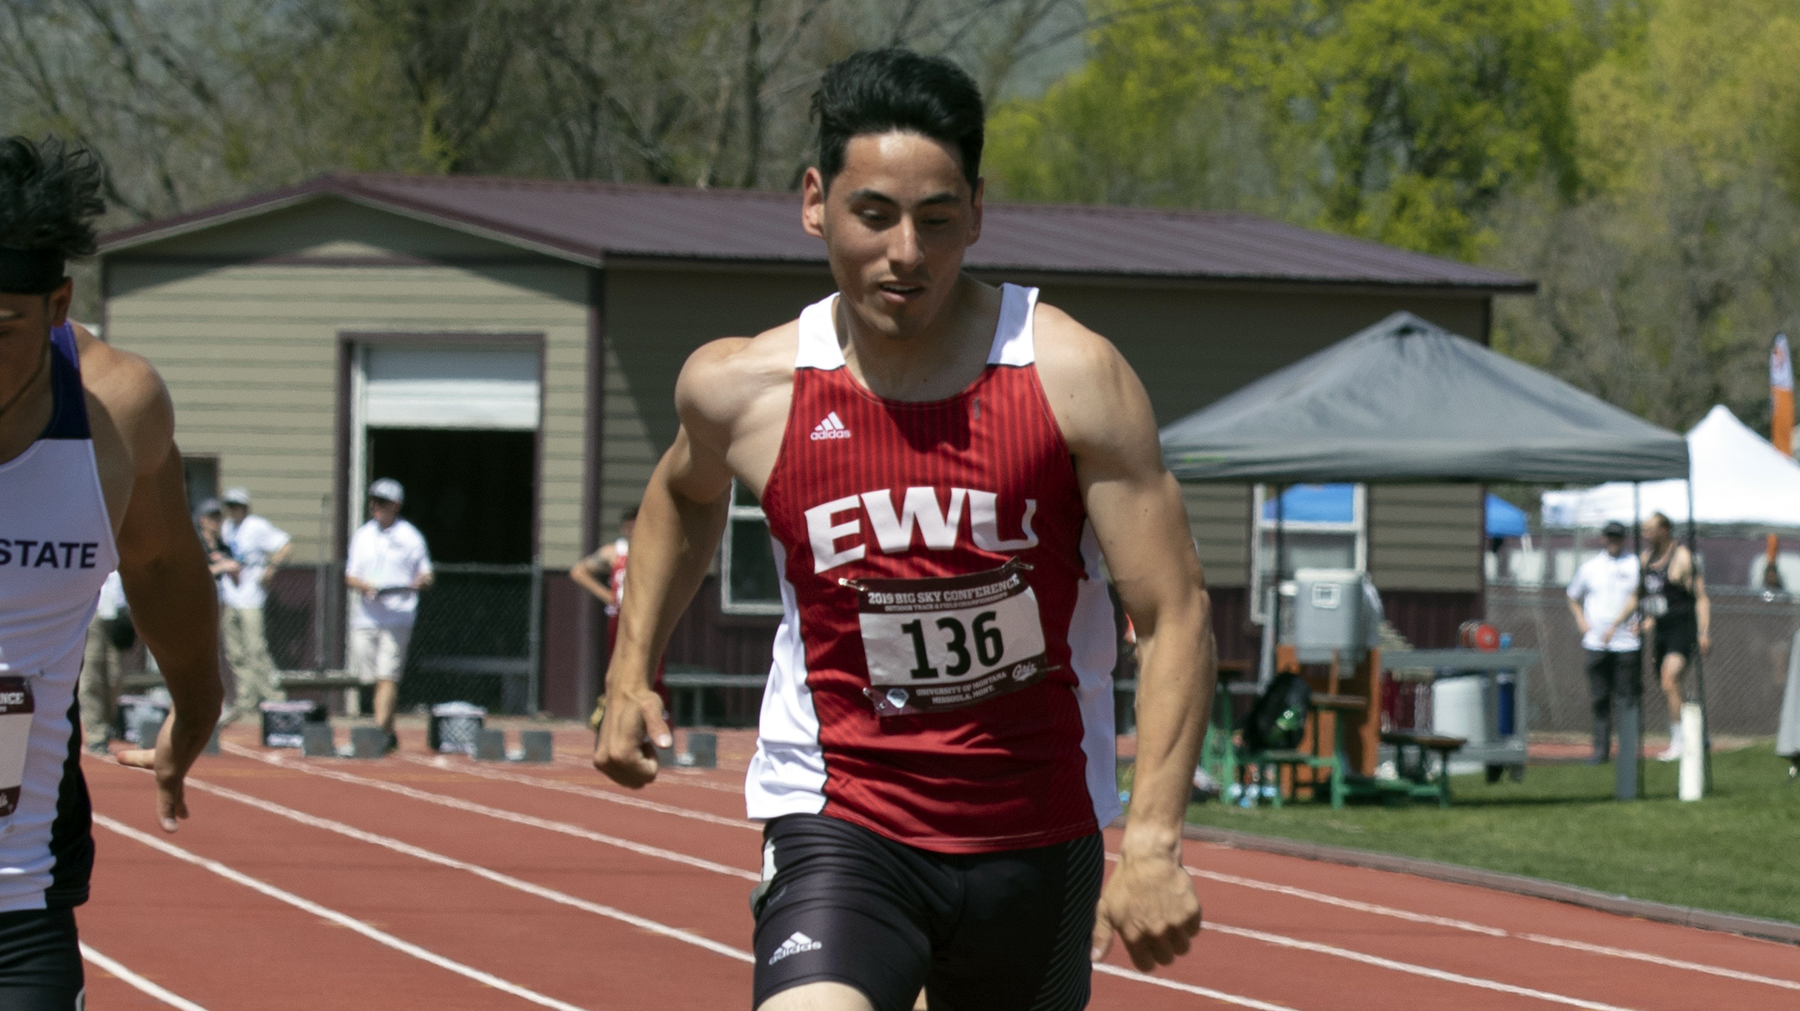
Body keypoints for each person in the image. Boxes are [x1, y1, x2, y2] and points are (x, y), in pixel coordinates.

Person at [592, 50, 1215, 1011]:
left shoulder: (1072, 377)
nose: (907, 254)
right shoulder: (746, 390)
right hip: (841, 815)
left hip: (1035, 827)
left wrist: (1157, 842)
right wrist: (631, 672)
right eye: (874, 214)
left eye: (936, 219)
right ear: (816, 203)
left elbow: (1174, 613)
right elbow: (683, 493)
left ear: (978, 211)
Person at [0, 135, 222, 1008]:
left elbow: (161, 562)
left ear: (57, 304)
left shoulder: (117, 411)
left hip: (17, 901)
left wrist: (195, 708)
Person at [344, 478, 433, 753]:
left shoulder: (411, 537)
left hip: (397, 617)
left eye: (382, 502)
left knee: (387, 676)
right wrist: (365, 586)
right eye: (373, 501)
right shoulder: (362, 535)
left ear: (396, 505)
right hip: (366, 616)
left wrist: (422, 581)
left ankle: (379, 731)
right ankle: (389, 730)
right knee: (369, 678)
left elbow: (426, 574)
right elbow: (350, 575)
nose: (375, 507)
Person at [571, 507, 670, 729]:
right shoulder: (614, 552)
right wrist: (607, 596)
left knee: (653, 668)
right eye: (629, 527)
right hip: (621, 616)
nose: (632, 531)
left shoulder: (656, 549)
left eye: (637, 526)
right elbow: (579, 571)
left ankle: (657, 716)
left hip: (648, 617)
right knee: (619, 667)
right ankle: (616, 715)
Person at [1565, 521, 1642, 764]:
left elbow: (1646, 596)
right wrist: (1581, 620)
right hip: (1596, 643)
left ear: (1624, 539)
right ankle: (1600, 750)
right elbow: (1572, 595)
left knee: (1626, 698)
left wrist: (1643, 621)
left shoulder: (1635, 565)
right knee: (1599, 698)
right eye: (1609, 536)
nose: (1613, 541)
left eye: (1617, 537)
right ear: (1603, 538)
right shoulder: (1590, 567)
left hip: (1627, 643)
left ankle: (1627, 750)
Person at [218, 487, 292, 723]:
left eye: (237, 506)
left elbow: (285, 545)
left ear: (245, 507)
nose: (233, 511)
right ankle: (246, 699)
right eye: (230, 506)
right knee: (235, 653)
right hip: (231, 597)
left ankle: (275, 698)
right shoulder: (226, 528)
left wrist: (270, 569)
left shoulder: (256, 526)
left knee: (256, 649)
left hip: (251, 598)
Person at [1641, 512, 1710, 761]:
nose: (1645, 535)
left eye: (1649, 529)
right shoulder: (1646, 559)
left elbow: (1701, 598)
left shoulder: (1682, 558)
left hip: (1682, 628)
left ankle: (1679, 741)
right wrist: (1646, 620)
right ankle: (1693, 733)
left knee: (1669, 679)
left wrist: (1704, 631)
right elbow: (1648, 597)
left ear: (1664, 530)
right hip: (1661, 630)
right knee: (1668, 685)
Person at [77, 571, 129, 755]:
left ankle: (107, 725)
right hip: (93, 613)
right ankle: (96, 733)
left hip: (118, 613)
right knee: (91, 676)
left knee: (115, 677)